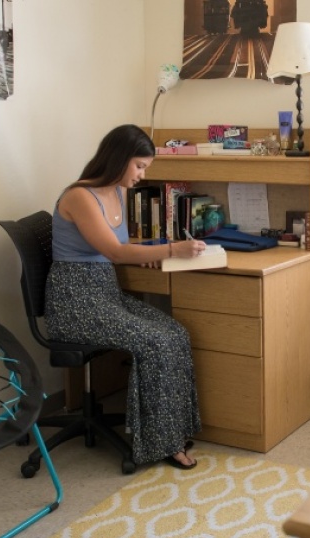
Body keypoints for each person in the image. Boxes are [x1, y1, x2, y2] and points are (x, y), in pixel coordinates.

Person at [45, 124, 206, 470]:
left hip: (104, 291)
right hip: (75, 301)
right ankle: (159, 443)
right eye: (139, 166)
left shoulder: (117, 192)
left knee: (175, 333)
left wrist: (145, 251)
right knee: (155, 342)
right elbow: (115, 252)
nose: (142, 174)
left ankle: (171, 431)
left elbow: (118, 246)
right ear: (118, 159)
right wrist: (172, 249)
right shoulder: (79, 196)